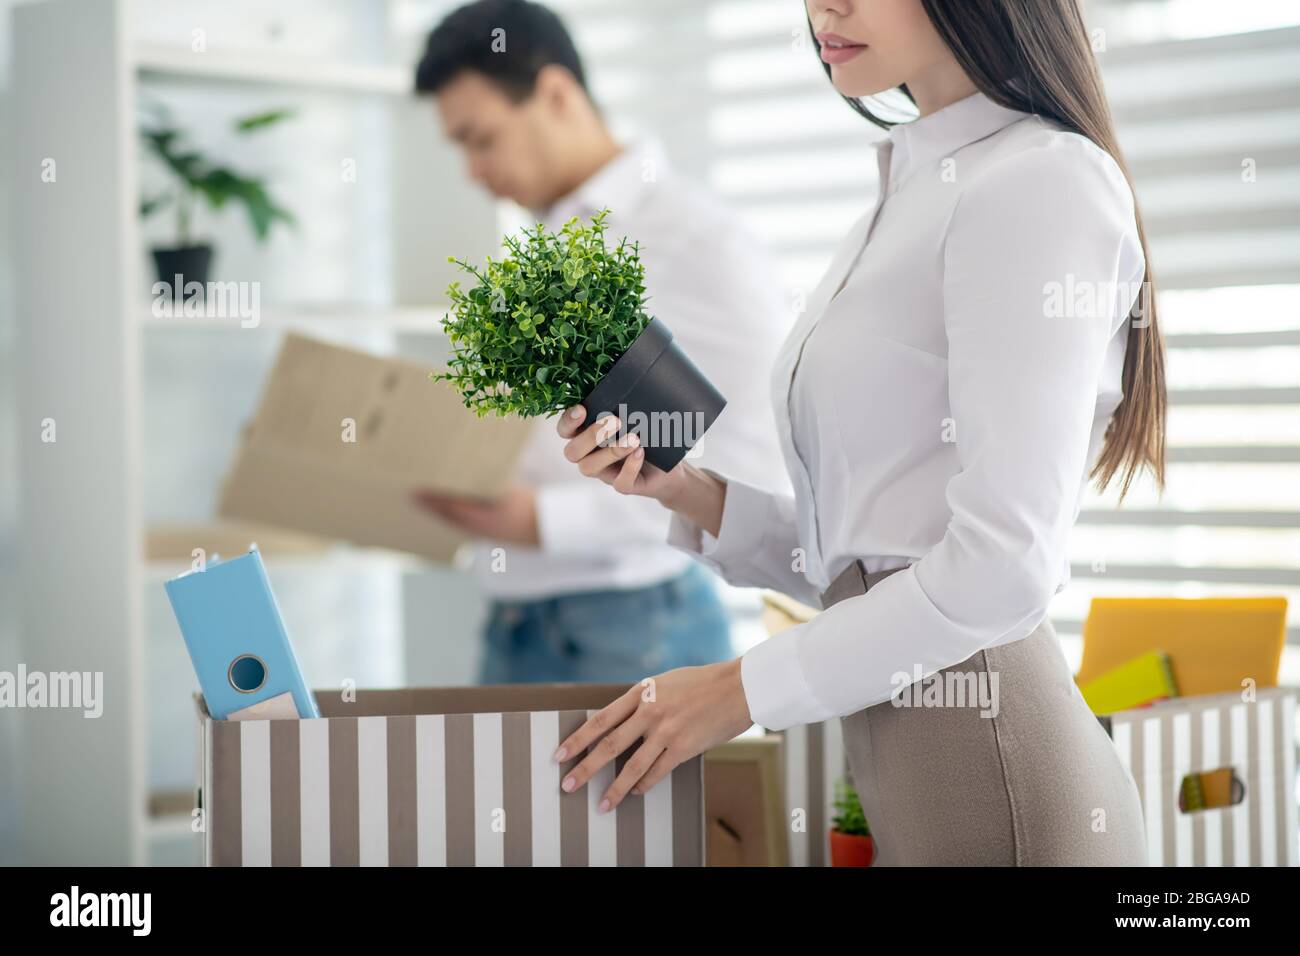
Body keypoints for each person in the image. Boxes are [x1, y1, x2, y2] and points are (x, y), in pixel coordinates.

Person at [550, 0, 1166, 865]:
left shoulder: (1038, 181)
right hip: (909, 762)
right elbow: (864, 562)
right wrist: (683, 488)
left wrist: (739, 691)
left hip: (998, 764)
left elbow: (1002, 567)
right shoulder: (911, 188)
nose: (822, 7)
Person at [410, 0, 790, 684]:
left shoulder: (695, 238)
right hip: (515, 622)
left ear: (555, 94)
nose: (471, 170)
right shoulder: (549, 240)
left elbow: (751, 466)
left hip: (635, 626)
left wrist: (545, 521)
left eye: (481, 138)